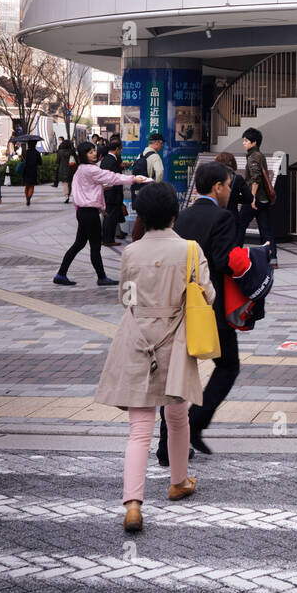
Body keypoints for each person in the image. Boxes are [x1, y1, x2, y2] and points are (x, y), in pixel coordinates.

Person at [94, 181, 214, 533]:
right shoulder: (190, 250)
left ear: (141, 217)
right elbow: (208, 297)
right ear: (175, 214)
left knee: (139, 429)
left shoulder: (131, 253)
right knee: (177, 416)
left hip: (136, 340)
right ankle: (178, 481)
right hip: (175, 342)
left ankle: (133, 504)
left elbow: (125, 298)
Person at [169, 159, 238, 459]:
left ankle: (171, 439)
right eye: (228, 185)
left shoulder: (182, 217)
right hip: (212, 307)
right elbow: (222, 262)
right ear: (217, 187)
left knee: (181, 370)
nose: (230, 190)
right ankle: (195, 423)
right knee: (228, 365)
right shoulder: (222, 218)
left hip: (181, 305)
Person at [54, 141, 147, 287]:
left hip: (84, 212)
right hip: (89, 213)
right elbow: (112, 177)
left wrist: (101, 189)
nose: (94, 153)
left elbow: (86, 188)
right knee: (95, 245)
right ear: (83, 155)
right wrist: (133, 178)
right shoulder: (90, 170)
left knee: (79, 244)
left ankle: (61, 274)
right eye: (90, 152)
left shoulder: (82, 169)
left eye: (94, 150)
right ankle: (101, 277)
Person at [242, 128, 276, 257]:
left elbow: (256, 178)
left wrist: (252, 197)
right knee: (266, 230)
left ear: (254, 142)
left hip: (254, 199)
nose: (244, 143)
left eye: (246, 141)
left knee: (240, 226)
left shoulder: (253, 156)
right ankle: (272, 258)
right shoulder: (259, 155)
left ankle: (235, 254)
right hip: (264, 199)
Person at [215, 149, 254, 242]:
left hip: (214, 215)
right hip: (232, 216)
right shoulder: (237, 178)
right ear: (232, 163)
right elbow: (249, 198)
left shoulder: (212, 176)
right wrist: (235, 197)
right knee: (232, 245)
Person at [100, 136, 126, 246]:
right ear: (116, 149)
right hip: (113, 194)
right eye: (120, 150)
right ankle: (109, 240)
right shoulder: (113, 162)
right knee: (111, 218)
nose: (120, 152)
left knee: (107, 217)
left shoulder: (105, 159)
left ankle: (104, 239)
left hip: (107, 193)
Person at [21, 139, 41, 207]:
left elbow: (22, 160)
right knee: (32, 185)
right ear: (35, 144)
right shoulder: (37, 153)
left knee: (26, 185)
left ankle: (27, 199)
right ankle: (29, 197)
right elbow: (40, 163)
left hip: (26, 170)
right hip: (33, 170)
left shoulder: (26, 152)